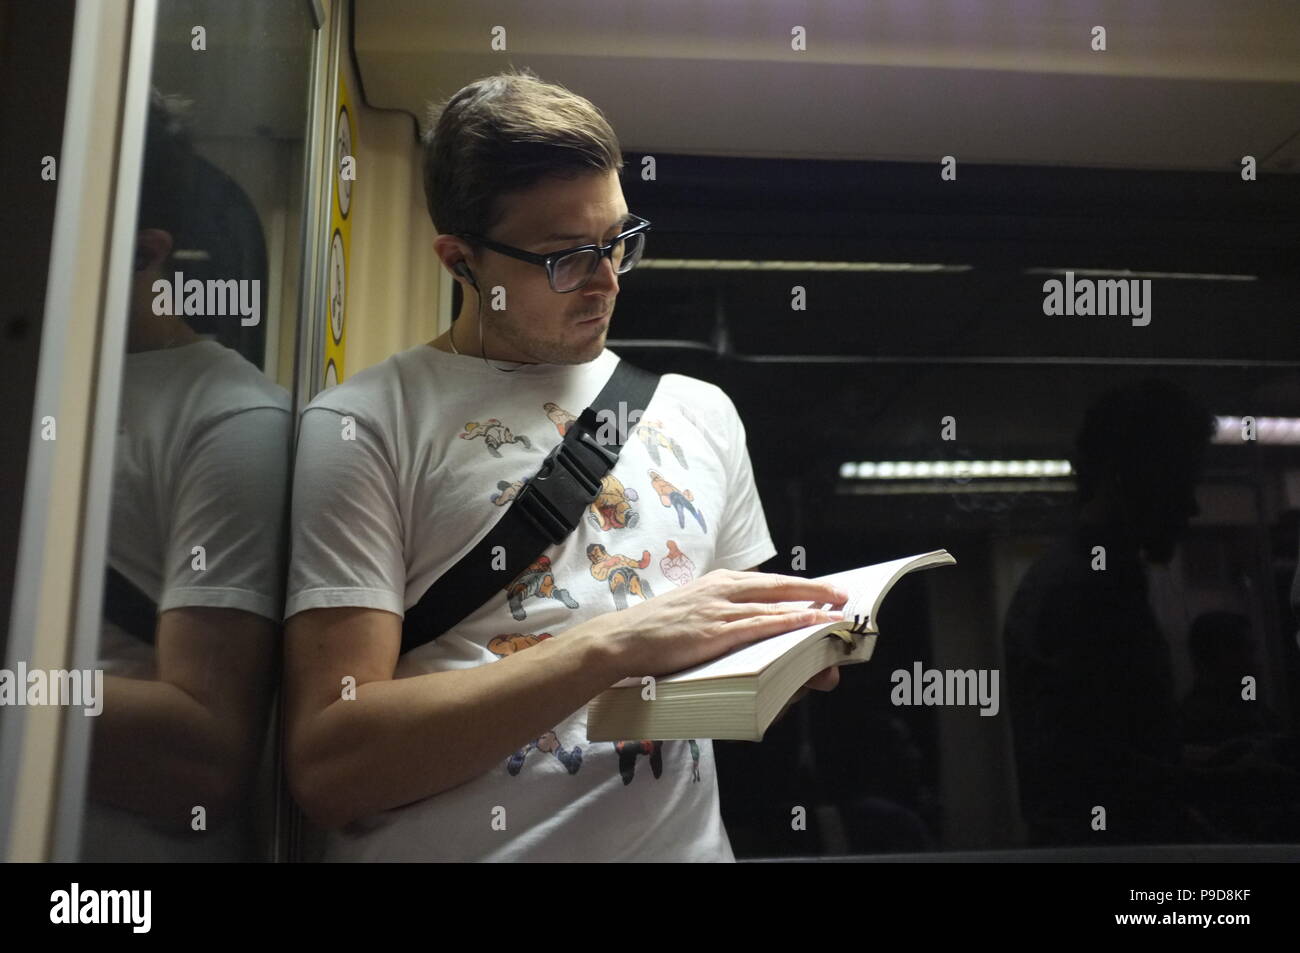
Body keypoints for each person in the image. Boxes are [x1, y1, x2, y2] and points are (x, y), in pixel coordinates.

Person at [282, 67, 846, 861]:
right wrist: (612, 645)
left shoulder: (702, 413)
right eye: (566, 257)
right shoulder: (366, 423)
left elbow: (729, 700)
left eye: (619, 240)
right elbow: (330, 765)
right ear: (460, 260)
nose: (607, 280)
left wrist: (787, 656)